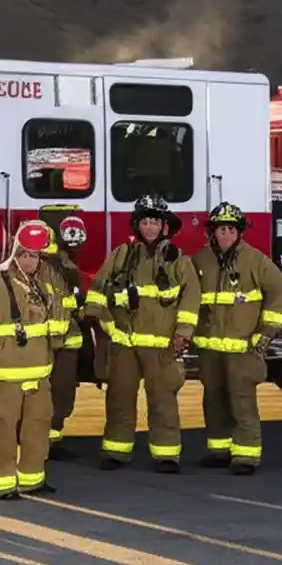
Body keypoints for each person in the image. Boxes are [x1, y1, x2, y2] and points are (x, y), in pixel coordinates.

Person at [85, 194, 200, 473]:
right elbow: (97, 293)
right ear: (138, 225)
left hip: (161, 346)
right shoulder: (121, 255)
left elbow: (191, 297)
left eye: (155, 222)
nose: (149, 227)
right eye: (145, 221)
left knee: (162, 400)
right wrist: (107, 326)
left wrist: (183, 333)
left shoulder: (178, 260)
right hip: (123, 344)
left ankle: (167, 455)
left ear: (164, 227)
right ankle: (116, 451)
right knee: (119, 400)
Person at [191, 201, 282, 474]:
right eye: (220, 230)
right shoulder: (199, 261)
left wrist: (265, 333)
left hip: (243, 349)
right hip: (210, 347)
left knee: (241, 400)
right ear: (211, 233)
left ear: (239, 232)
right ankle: (219, 450)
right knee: (213, 399)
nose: (225, 235)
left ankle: (246, 455)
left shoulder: (256, 261)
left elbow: (280, 294)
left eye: (230, 229)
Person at [0, 221, 65, 499]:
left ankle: (32, 480)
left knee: (37, 431)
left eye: (34, 255)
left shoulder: (44, 288)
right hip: (5, 378)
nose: (29, 260)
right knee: (3, 433)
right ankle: (0, 484)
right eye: (24, 254)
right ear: (15, 255)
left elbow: (54, 331)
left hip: (38, 377)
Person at [37, 205, 89, 460]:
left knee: (63, 392)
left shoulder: (71, 270)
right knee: (39, 393)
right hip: (41, 342)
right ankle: (37, 440)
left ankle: (53, 439)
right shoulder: (32, 270)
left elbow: (78, 306)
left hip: (68, 341)